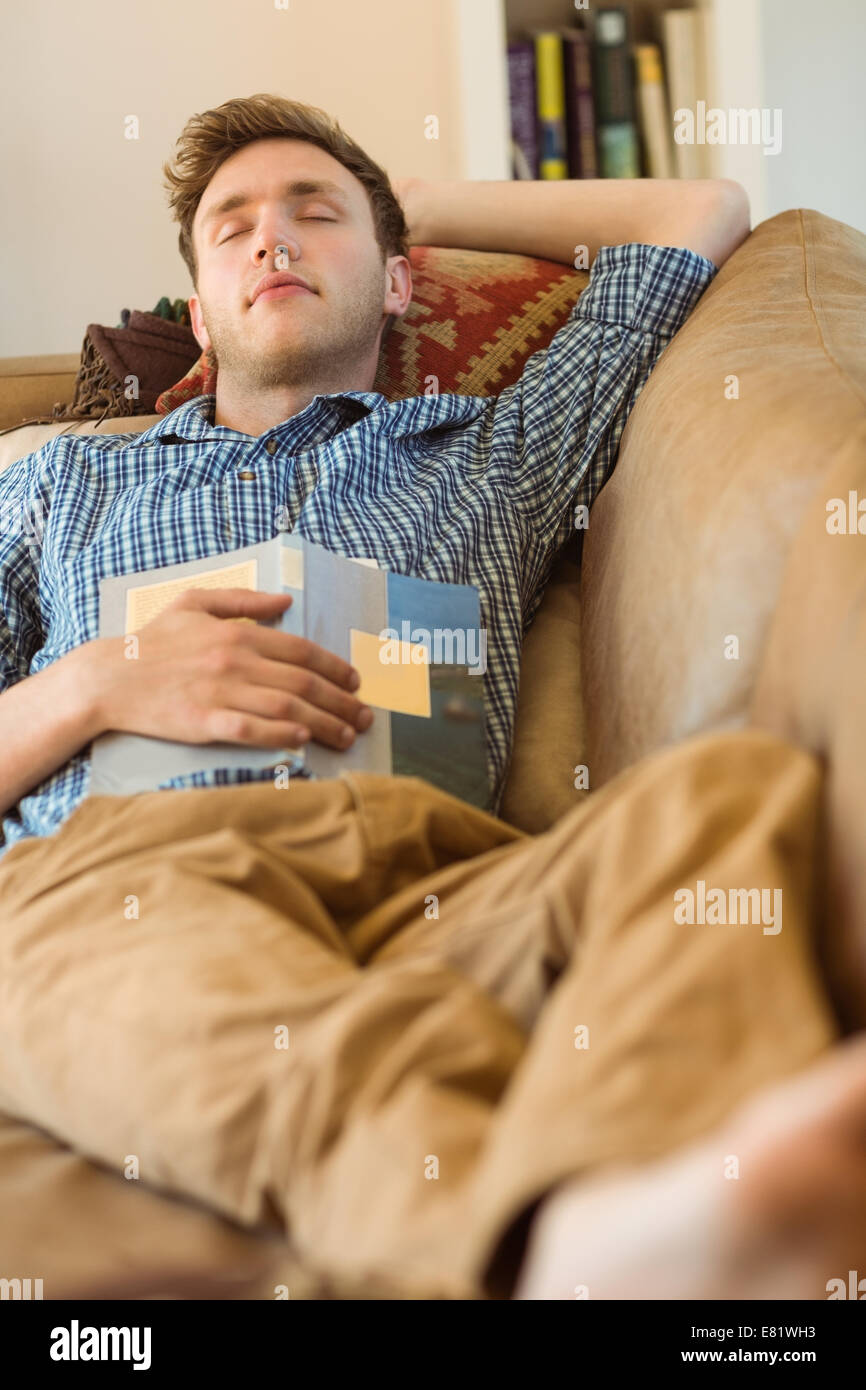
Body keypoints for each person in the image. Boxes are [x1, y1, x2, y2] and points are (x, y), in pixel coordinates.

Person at [3, 94, 859, 1301]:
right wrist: (99, 681)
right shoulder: (65, 481)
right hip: (131, 872)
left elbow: (698, 210)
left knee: (730, 798)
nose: (273, 240)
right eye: (232, 227)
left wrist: (408, 199)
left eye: (314, 215)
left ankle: (670, 1204)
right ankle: (545, 1248)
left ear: (403, 285)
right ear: (198, 313)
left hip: (439, 875)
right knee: (154, 950)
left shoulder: (494, 451)